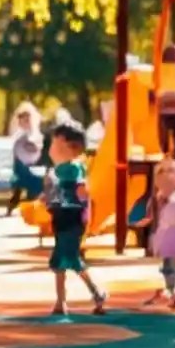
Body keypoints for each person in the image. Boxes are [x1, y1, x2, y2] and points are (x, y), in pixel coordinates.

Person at [43, 122, 107, 316]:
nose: (52, 149)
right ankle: (62, 301)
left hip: (71, 217)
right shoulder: (59, 170)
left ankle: (96, 293)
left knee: (68, 258)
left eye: (57, 145)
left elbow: (81, 190)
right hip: (62, 216)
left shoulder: (73, 168)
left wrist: (83, 205)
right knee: (61, 261)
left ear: (73, 148)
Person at [138, 158, 175, 309]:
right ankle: (168, 291)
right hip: (169, 234)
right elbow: (153, 218)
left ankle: (173, 293)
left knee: (172, 266)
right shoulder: (159, 198)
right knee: (169, 265)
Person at [7, 102, 44, 215]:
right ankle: (20, 202)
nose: (25, 119)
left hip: (34, 165)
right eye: (22, 117)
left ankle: (30, 203)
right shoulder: (18, 133)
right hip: (20, 165)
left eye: (28, 117)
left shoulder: (36, 132)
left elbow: (37, 147)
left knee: (34, 179)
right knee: (21, 176)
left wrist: (31, 142)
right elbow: (15, 149)